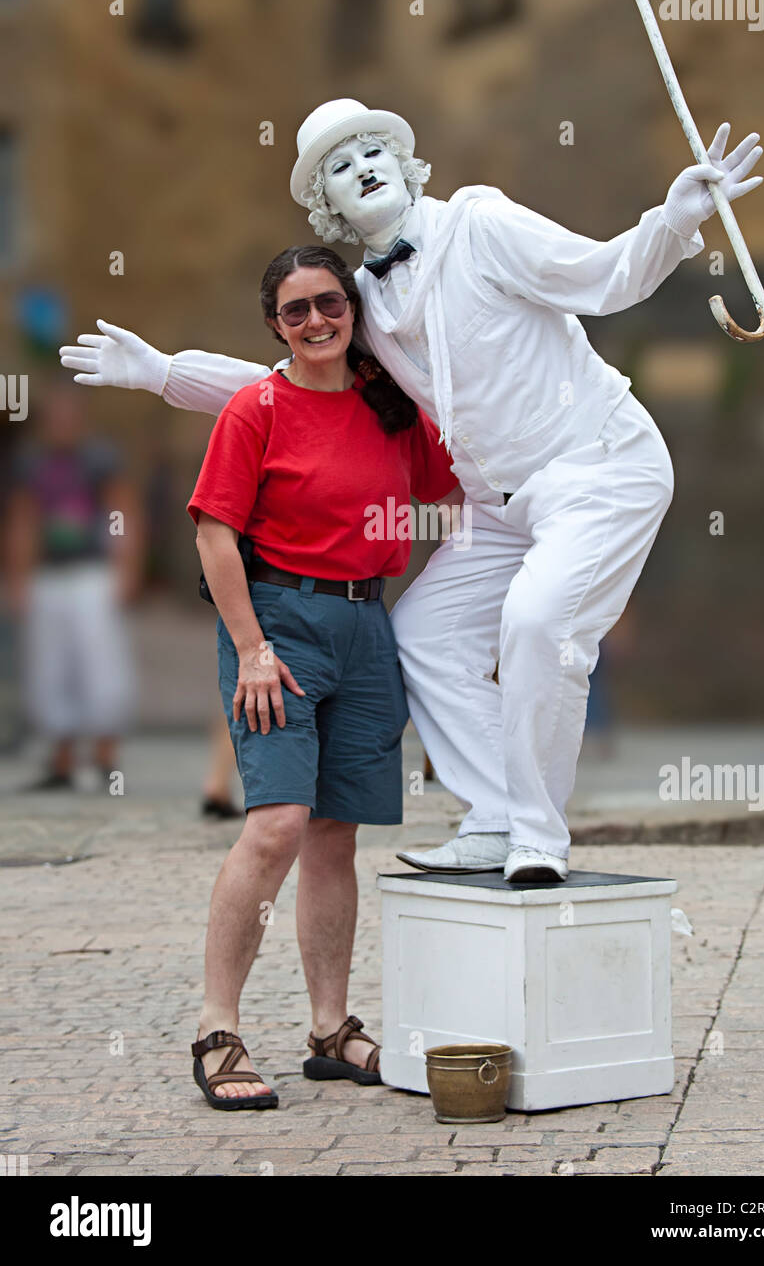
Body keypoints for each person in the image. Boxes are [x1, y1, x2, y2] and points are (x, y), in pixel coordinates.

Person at [59, 98, 764, 884]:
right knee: (422, 634)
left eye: (372, 152)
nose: (361, 168)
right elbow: (283, 386)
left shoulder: (480, 222)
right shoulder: (362, 305)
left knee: (538, 626)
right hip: (497, 506)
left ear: (404, 166)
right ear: (328, 201)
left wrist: (671, 220)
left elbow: (601, 277)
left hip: (598, 466)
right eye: (339, 165)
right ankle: (495, 813)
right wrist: (162, 373)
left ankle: (538, 835)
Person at [185, 244, 458, 1108]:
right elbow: (214, 535)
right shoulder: (254, 409)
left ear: (354, 310)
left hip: (368, 626)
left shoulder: (392, 411)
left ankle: (331, 1030)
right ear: (275, 323)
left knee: (335, 833)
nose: (315, 322)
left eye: (329, 303)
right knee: (276, 826)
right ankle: (216, 1030)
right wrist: (254, 648)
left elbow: (454, 502)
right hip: (281, 625)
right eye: (296, 309)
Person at [4, 381, 141, 790]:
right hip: (48, 576)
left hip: (92, 576)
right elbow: (23, 520)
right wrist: (18, 577)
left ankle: (105, 756)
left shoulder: (99, 459)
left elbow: (122, 511)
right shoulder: (31, 462)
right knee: (49, 667)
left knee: (101, 664)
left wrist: (126, 566)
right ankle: (61, 760)